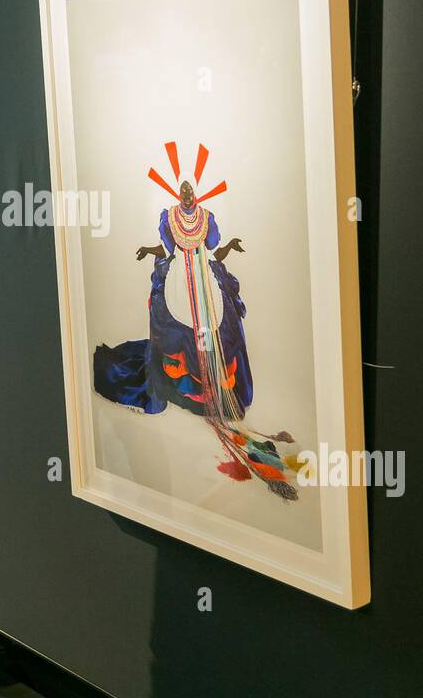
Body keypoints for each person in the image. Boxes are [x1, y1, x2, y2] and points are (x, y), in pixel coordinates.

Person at [93, 164, 299, 499]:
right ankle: (190, 385)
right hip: (179, 280)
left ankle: (218, 391)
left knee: (216, 324)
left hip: (204, 278)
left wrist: (229, 245)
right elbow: (170, 249)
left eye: (190, 191)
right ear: (179, 194)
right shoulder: (169, 217)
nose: (187, 195)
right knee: (177, 326)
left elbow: (213, 248)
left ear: (196, 193)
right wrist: (149, 250)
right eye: (183, 191)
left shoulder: (206, 216)